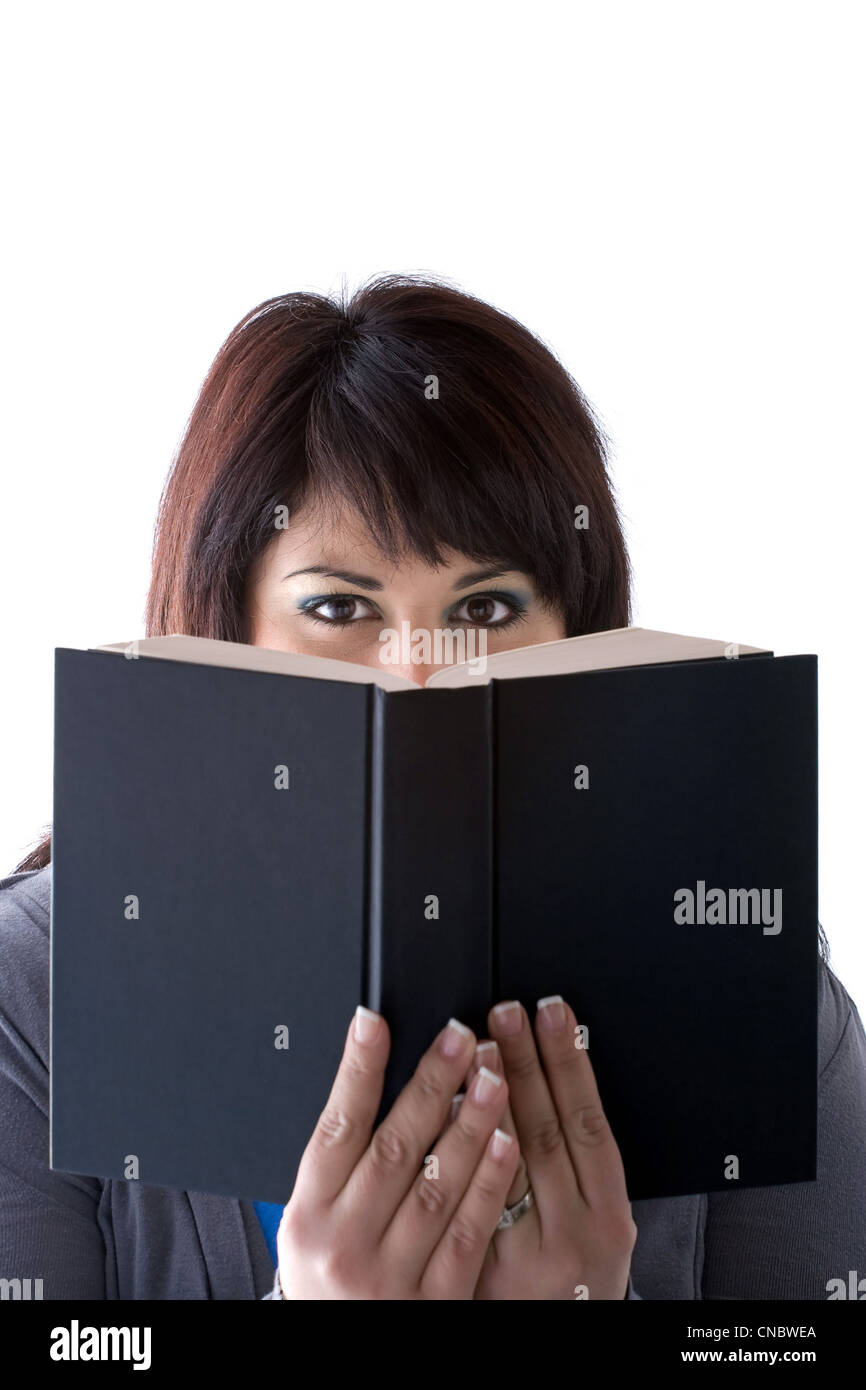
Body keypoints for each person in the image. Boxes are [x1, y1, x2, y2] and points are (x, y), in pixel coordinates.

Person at [2, 274, 863, 1300]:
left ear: (580, 642)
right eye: (336, 605)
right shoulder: (29, 1001)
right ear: (221, 632)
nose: (418, 668)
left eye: (489, 603)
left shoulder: (752, 987)